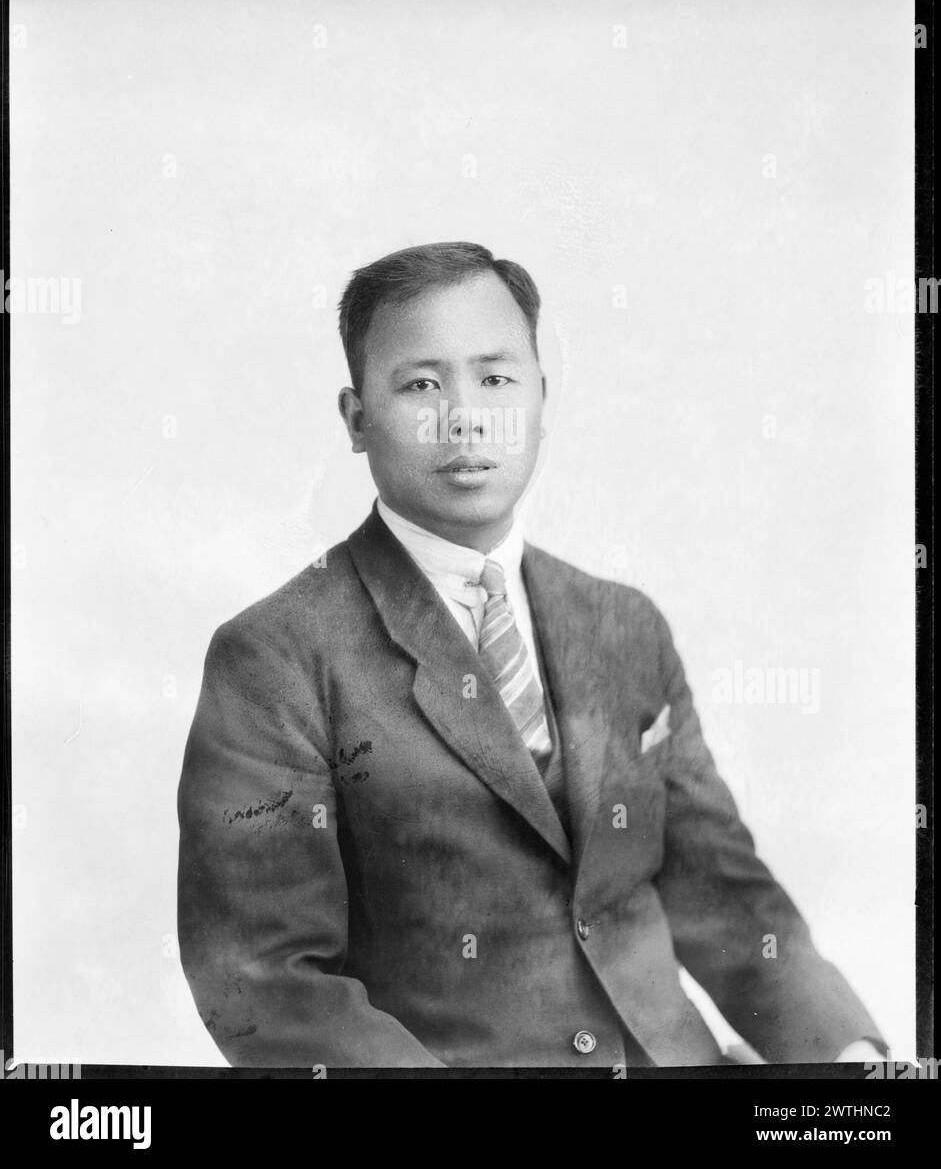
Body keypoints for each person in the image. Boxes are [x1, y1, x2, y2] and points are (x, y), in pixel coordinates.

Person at [177, 241, 886, 1068]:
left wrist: (850, 1057)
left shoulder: (621, 625)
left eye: (497, 379)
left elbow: (720, 896)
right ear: (355, 417)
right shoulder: (275, 657)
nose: (466, 417)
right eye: (420, 385)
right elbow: (263, 980)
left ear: (542, 401)